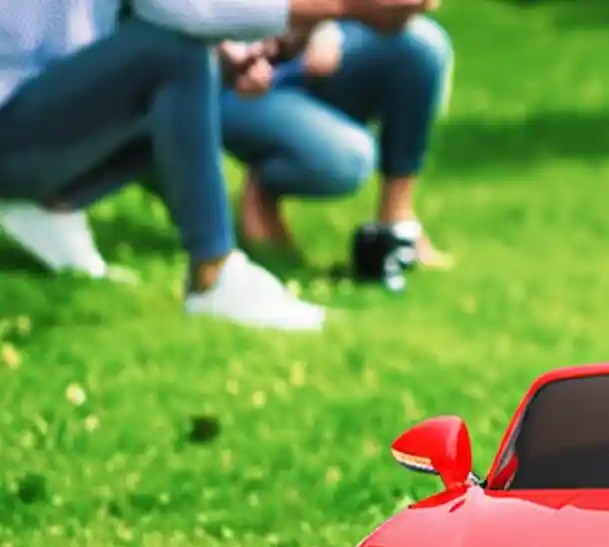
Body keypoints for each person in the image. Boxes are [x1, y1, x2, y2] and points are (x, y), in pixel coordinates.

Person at [0, 0, 429, 331]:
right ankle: (213, 273)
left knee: (182, 63)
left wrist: (227, 59)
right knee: (175, 48)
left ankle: (51, 204)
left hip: (33, 108)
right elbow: (184, 9)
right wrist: (344, 5)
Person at [217, 6, 456, 271]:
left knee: (421, 45)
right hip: (221, 81)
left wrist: (321, 26)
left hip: (289, 55)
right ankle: (262, 188)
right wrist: (236, 59)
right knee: (349, 159)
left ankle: (397, 219)